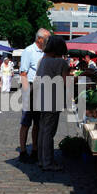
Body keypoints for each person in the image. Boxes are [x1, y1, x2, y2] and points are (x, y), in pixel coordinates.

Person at [33, 35, 71, 171]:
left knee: (43, 130)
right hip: (53, 100)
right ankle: (48, 162)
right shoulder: (61, 63)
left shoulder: (42, 61)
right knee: (49, 132)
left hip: (41, 99)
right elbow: (67, 83)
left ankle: (41, 160)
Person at [17, 28, 49, 163]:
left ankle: (35, 150)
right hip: (30, 87)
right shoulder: (29, 51)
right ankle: (23, 151)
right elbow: (23, 73)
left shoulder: (45, 52)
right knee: (26, 122)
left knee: (38, 122)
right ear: (39, 39)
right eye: (47, 39)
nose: (49, 41)